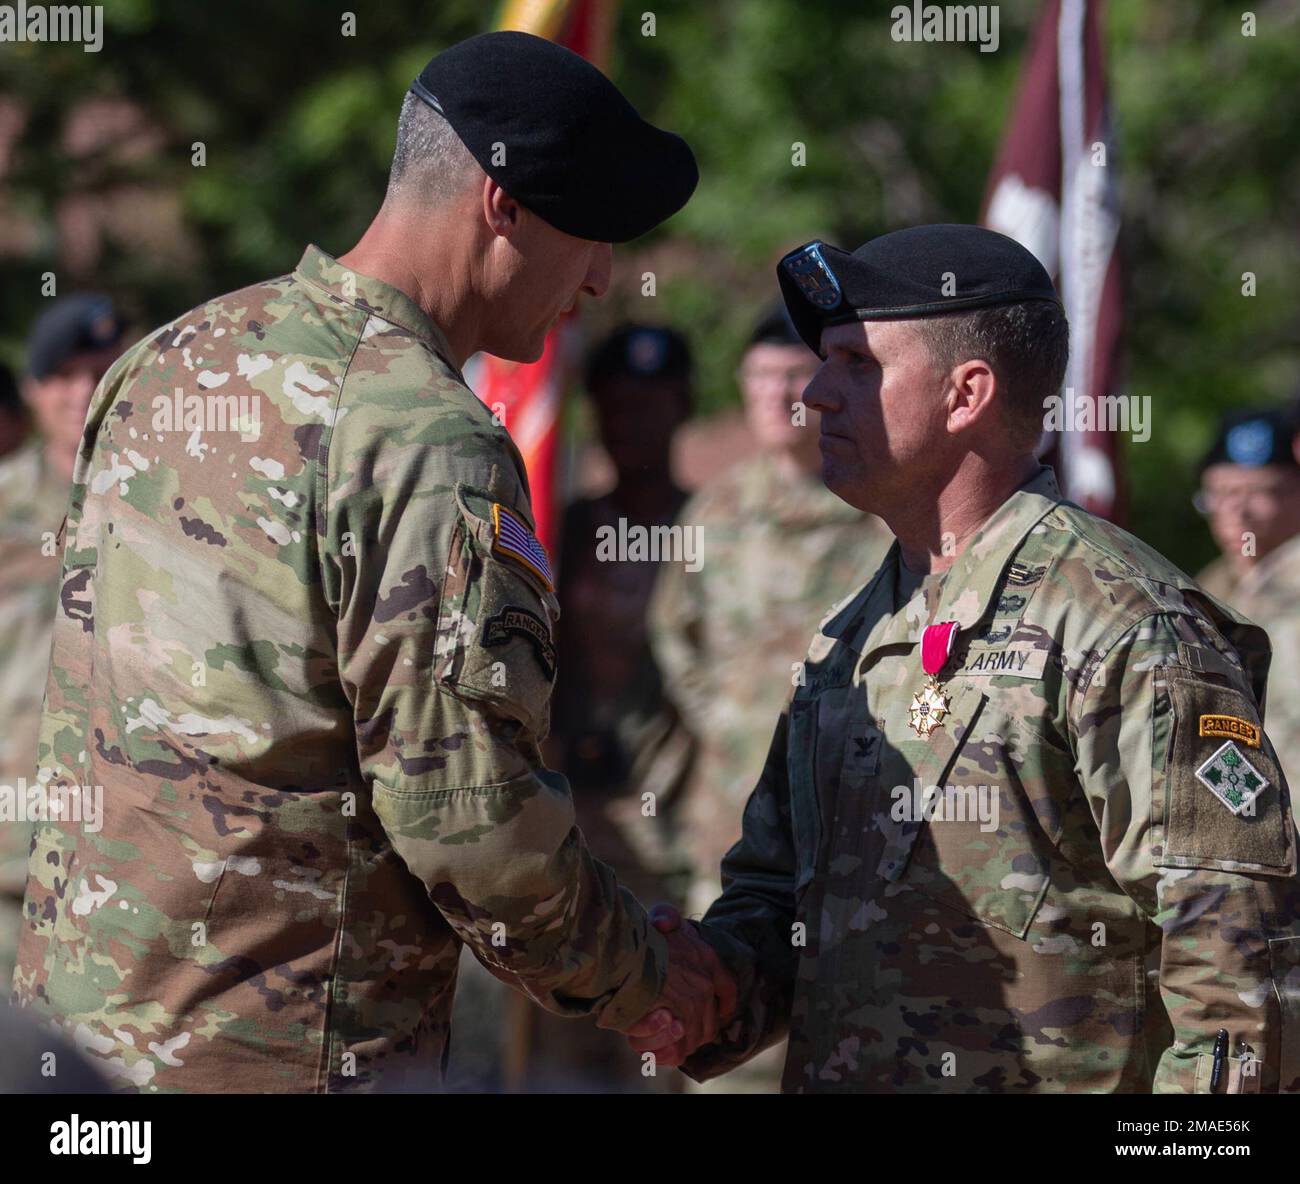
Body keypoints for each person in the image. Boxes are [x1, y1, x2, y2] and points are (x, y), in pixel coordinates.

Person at [11, 30, 733, 1094]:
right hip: (282, 1058)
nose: (602, 278)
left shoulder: (164, 360)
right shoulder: (428, 439)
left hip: (75, 1053)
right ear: (503, 203)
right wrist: (652, 977)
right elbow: (472, 823)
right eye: (591, 234)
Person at [629, 225, 1300, 1093]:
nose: (818, 397)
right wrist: (694, 985)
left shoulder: (1124, 624)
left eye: (858, 367)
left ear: (965, 394)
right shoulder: (852, 634)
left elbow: (1241, 984)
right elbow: (778, 902)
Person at [648, 305, 892, 1093]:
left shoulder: (878, 510)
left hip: (859, 828)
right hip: (732, 825)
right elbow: (675, 634)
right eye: (761, 377)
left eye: (794, 375)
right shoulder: (716, 511)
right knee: (726, 1056)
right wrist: (727, 714)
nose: (778, 393)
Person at [0, 296, 126, 986]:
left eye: (100, 372)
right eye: (64, 375)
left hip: (131, 866)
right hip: (10, 862)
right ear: (33, 389)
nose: (83, 392)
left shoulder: (182, 508)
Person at [1195, 407, 1300, 805]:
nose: (1239, 510)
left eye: (1261, 492)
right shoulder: (1198, 593)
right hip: (1246, 834)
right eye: (1222, 494)